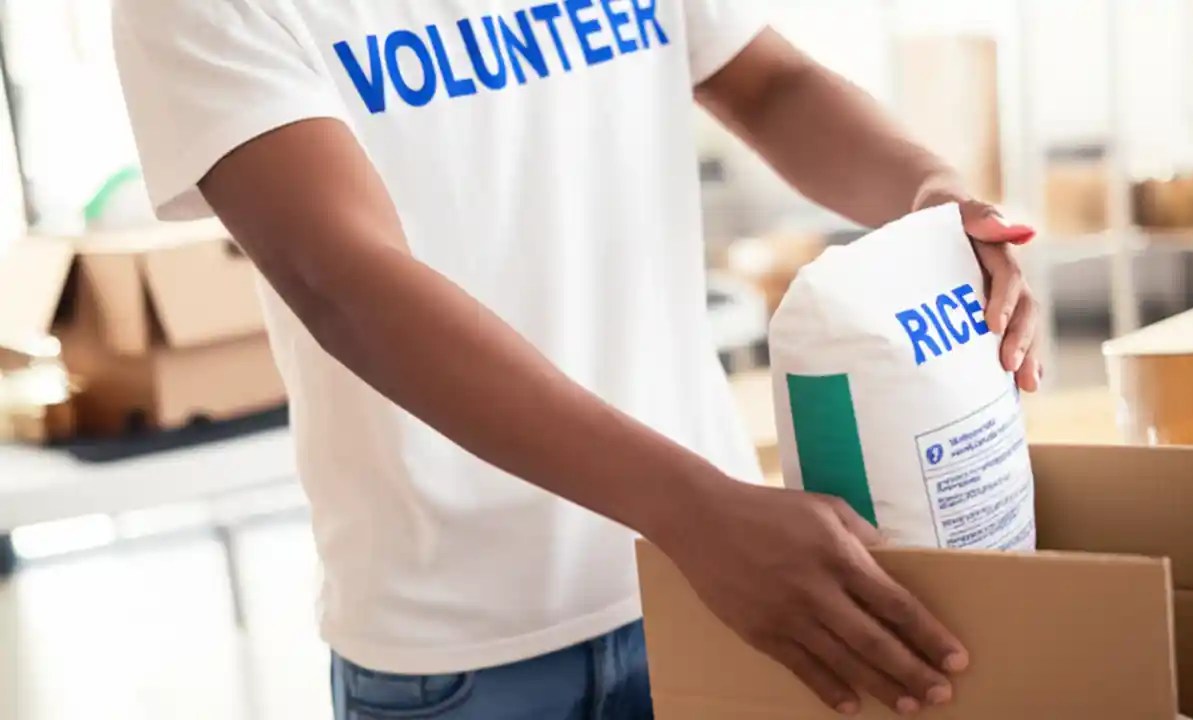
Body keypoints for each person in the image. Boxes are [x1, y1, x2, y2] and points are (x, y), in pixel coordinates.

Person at [112, 1, 1041, 718]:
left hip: (731, 586)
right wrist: (693, 511)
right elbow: (345, 278)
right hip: (471, 639)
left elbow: (767, 82)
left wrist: (930, 197)